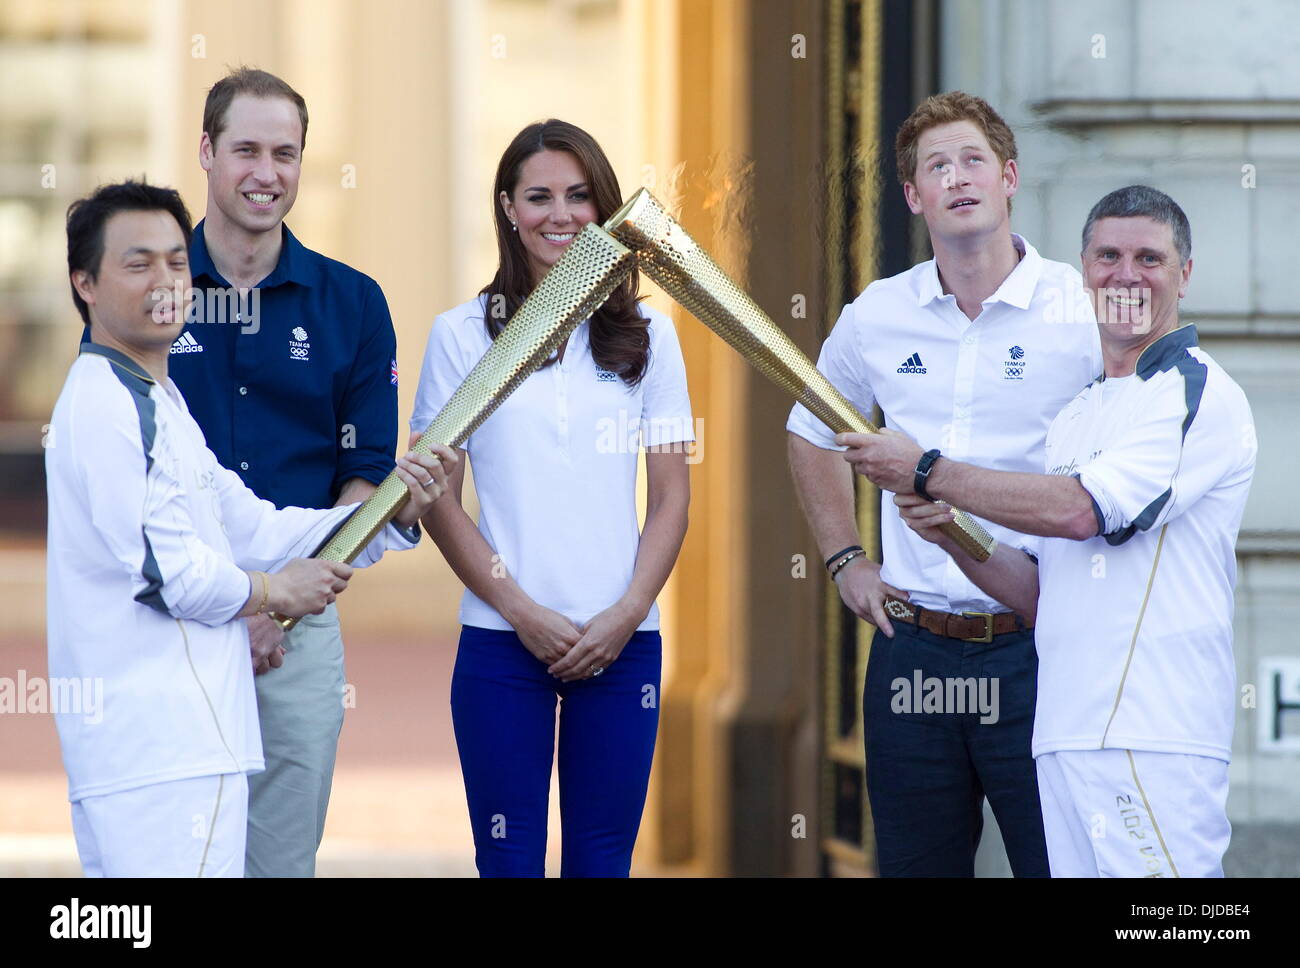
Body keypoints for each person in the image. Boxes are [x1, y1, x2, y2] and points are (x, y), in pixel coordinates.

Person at [846, 185, 1256, 877]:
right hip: (1063, 737)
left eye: (1149, 258)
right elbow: (1038, 592)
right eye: (1108, 256)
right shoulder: (1077, 413)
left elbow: (1080, 510)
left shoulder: (1193, 392)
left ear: (1184, 274)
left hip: (1150, 738)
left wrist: (927, 470)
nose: (1125, 275)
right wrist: (949, 531)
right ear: (1083, 268)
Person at [50, 180, 454, 877]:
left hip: (188, 747)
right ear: (85, 283)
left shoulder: (159, 400)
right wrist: (273, 592)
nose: (167, 280)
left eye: (177, 262)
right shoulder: (110, 406)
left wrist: (392, 511)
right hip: (157, 755)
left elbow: (253, 522)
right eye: (138, 262)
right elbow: (170, 574)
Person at [786, 91, 1103, 877]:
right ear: (913, 195)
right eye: (937, 166)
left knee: (1058, 865)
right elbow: (809, 430)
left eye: (972, 160)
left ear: (1008, 177)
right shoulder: (877, 315)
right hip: (915, 650)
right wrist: (843, 559)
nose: (956, 177)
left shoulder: (1080, 310)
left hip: (1041, 649)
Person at [413, 119, 693, 877]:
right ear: (507, 207)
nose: (559, 215)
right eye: (538, 196)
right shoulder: (462, 335)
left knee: (603, 860)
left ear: (604, 210)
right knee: (508, 858)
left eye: (578, 196)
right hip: (502, 643)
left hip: (622, 643)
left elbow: (671, 498)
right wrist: (522, 611)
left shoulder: (654, 338)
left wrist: (627, 613)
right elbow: (439, 497)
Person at [166, 68, 404, 877]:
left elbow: (366, 482)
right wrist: (236, 601)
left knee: (278, 864)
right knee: (169, 858)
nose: (266, 172)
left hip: (297, 634)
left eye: (286, 153)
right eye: (246, 150)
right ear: (205, 151)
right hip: (172, 625)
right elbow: (124, 469)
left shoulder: (354, 304)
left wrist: (281, 607)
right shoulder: (149, 291)